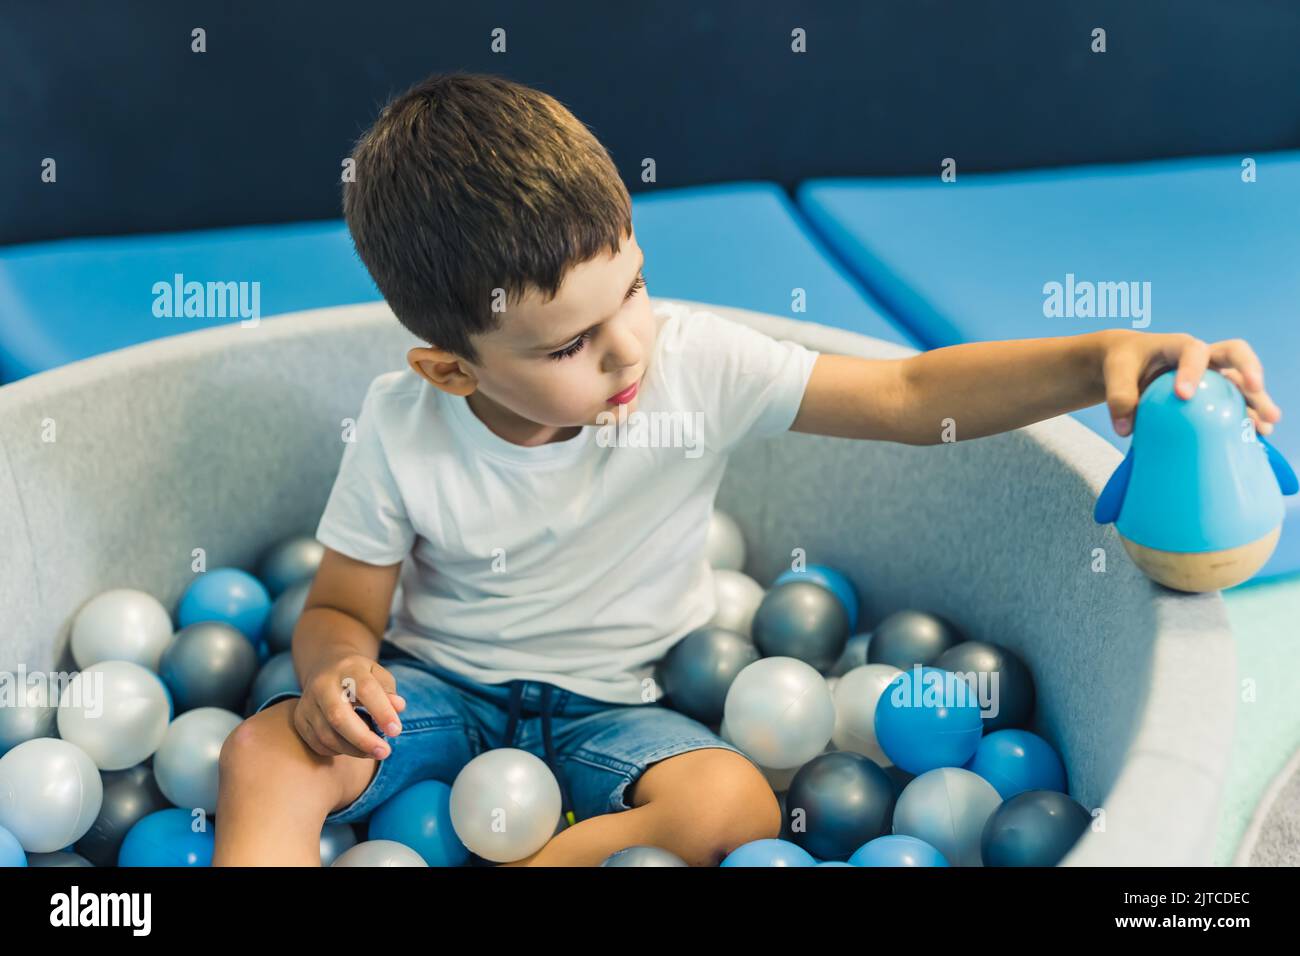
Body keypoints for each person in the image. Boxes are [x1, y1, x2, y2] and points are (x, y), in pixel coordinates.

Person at [213, 72, 1281, 866]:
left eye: (630, 289)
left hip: (616, 708)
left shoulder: (692, 363)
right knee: (263, 755)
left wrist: (1098, 357)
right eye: (567, 345)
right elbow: (341, 609)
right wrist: (335, 678)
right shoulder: (403, 426)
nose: (628, 345)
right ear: (451, 368)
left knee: (735, 801)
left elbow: (910, 399)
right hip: (438, 694)